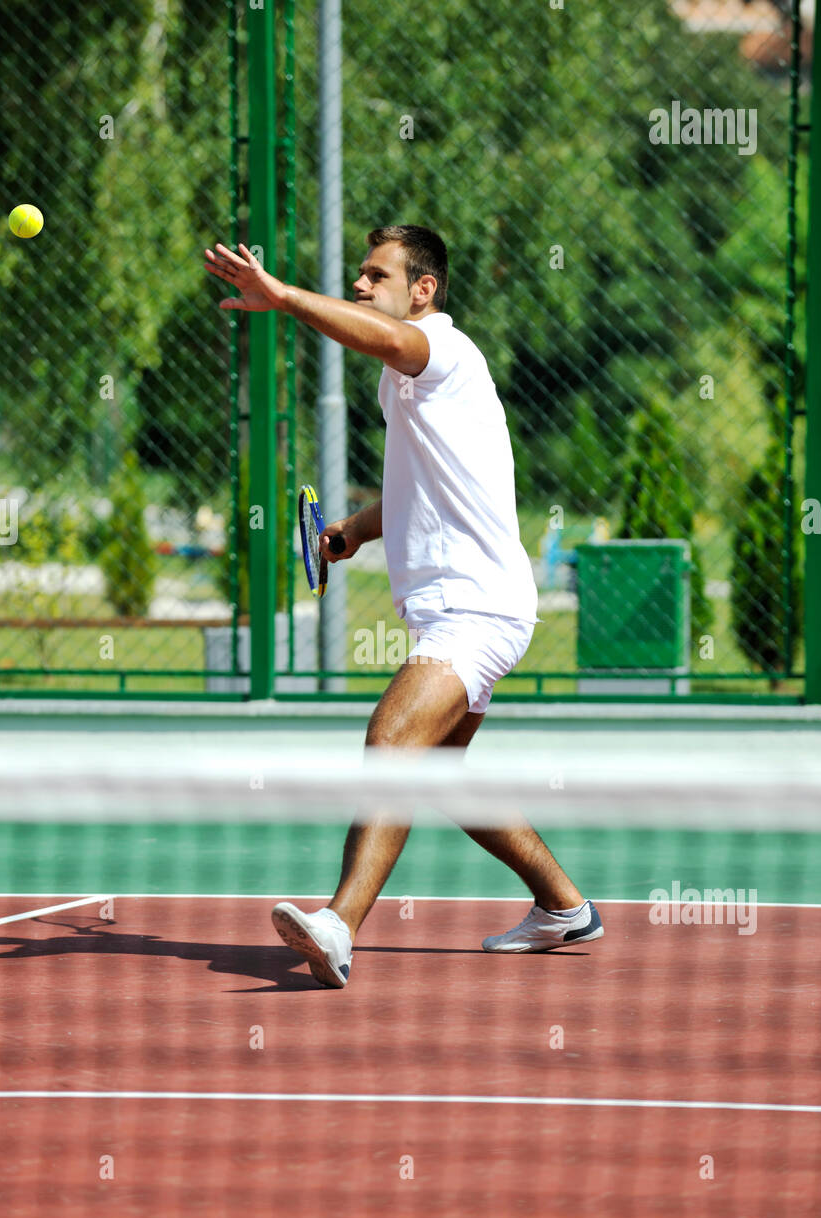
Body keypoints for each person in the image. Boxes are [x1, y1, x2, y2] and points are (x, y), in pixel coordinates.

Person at [205, 225, 603, 987]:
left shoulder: (441, 351)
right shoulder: (411, 385)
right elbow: (423, 486)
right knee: (440, 774)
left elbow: (383, 339)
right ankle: (564, 904)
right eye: (357, 273)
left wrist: (285, 297)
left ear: (423, 290)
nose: (360, 283)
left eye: (374, 274)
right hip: (459, 606)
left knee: (391, 741)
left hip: (477, 608)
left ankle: (338, 925)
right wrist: (352, 532)